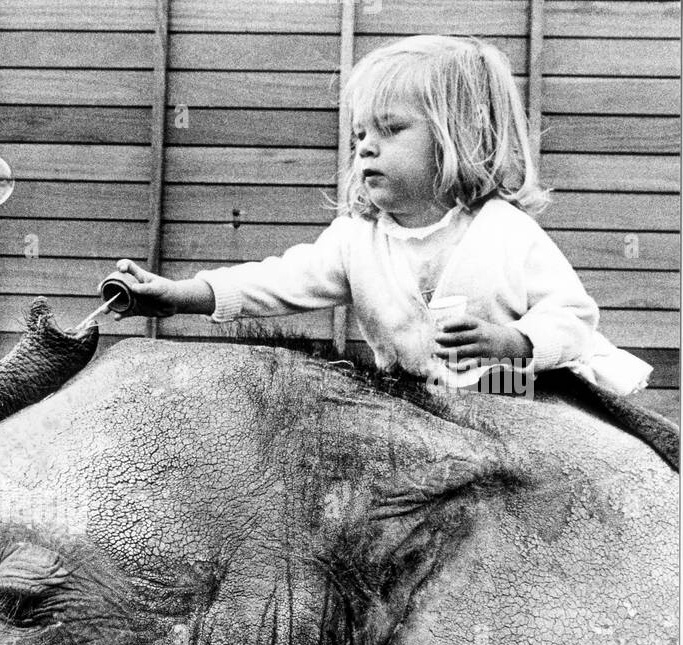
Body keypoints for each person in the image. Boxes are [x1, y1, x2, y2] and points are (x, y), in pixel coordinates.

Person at [110, 35, 652, 396]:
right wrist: (178, 294)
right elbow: (274, 282)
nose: (366, 148)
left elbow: (574, 318)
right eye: (360, 135)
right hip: (412, 408)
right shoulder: (356, 239)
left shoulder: (506, 232)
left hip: (521, 403)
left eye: (391, 130)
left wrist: (517, 344)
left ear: (455, 138)